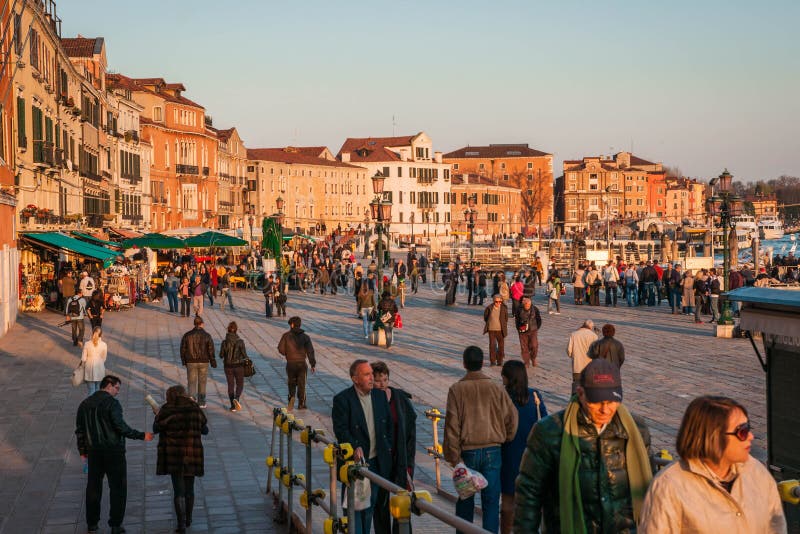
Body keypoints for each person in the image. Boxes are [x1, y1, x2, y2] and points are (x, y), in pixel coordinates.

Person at [513, 359, 653, 533]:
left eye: (611, 402)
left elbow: (652, 489)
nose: (605, 409)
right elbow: (528, 495)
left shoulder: (636, 430)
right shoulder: (550, 431)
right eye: (597, 402)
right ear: (580, 393)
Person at [639, 396, 787, 533]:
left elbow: (777, 526)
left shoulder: (756, 471)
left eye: (749, 428)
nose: (750, 436)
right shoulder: (669, 486)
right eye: (742, 431)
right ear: (713, 437)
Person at [443, 346, 518, 534]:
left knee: (465, 500)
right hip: (493, 450)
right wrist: (506, 436)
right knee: (491, 503)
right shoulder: (496, 387)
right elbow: (512, 416)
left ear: (464, 363)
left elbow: (452, 426)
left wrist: (453, 457)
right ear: (482, 362)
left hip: (468, 452)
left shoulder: (457, 389)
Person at [75, 375, 154, 534]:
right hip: (114, 452)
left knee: (93, 488)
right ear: (108, 385)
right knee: (118, 488)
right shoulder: (112, 404)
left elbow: (80, 431)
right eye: (116, 388)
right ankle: (115, 524)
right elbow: (120, 427)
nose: (117, 392)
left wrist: (83, 451)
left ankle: (92, 524)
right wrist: (141, 435)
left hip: (94, 452)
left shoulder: (84, 404)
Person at [332, 360, 393, 534]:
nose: (371, 378)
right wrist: (354, 446)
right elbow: (341, 430)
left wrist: (387, 447)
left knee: (370, 508)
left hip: (376, 462)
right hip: (356, 465)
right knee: (355, 509)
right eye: (367, 375)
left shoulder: (380, 397)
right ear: (355, 379)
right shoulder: (343, 400)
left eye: (371, 374)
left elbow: (388, 426)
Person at [153, 385, 209, 534]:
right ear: (184, 395)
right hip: (192, 453)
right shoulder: (194, 408)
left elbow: (156, 428)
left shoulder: (167, 409)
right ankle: (189, 518)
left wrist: (156, 414)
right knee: (189, 489)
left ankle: (181, 524)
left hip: (173, 455)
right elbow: (205, 430)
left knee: (178, 490)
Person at [499, 361, 547, 534]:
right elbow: (545, 422)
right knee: (531, 500)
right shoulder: (535, 396)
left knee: (507, 501)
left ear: (509, 378)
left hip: (508, 453)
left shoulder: (502, 397)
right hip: (531, 454)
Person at [371, 361, 417, 534]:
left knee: (402, 499)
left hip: (400, 457)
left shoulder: (399, 398)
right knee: (380, 503)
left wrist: (409, 462)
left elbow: (410, 426)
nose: (382, 384)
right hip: (379, 459)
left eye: (385, 379)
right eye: (377, 380)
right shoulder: (370, 399)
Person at [277, 316, 316, 411]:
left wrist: (287, 353)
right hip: (302, 364)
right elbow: (310, 351)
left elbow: (280, 349)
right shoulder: (306, 337)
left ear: (292, 324)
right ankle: (301, 403)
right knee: (302, 383)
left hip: (290, 363)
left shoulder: (286, 336)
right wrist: (312, 364)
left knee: (291, 382)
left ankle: (291, 397)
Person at [179, 316, 217, 408]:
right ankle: (202, 402)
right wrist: (212, 361)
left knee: (191, 381)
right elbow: (211, 350)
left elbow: (182, 349)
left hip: (191, 361)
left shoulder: (187, 335)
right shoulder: (207, 335)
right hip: (204, 361)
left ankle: (192, 401)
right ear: (201, 324)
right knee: (202, 382)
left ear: (194, 324)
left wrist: (184, 361)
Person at [219, 321, 248, 412]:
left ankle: (232, 405)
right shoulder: (240, 341)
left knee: (230, 385)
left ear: (228, 330)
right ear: (236, 330)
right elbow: (244, 355)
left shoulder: (224, 342)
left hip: (228, 366)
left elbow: (221, 355)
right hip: (238, 366)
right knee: (240, 384)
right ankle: (237, 398)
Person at [566, 319, 598, 394]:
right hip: (590, 367)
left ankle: (574, 403)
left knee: (576, 388)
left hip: (577, 366)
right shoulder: (594, 336)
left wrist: (574, 357)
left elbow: (569, 350)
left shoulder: (574, 334)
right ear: (591, 327)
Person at [514, 297, 541, 368]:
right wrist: (519, 328)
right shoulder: (519, 310)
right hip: (523, 332)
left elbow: (539, 319)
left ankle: (533, 358)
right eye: (526, 305)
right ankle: (526, 362)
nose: (527, 306)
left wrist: (536, 327)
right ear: (523, 304)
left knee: (534, 345)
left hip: (533, 330)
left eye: (528, 305)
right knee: (524, 347)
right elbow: (517, 320)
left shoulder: (535, 309)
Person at [483, 294, 509, 366]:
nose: (498, 303)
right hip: (491, 330)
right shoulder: (489, 308)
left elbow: (506, 318)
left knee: (501, 346)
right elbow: (486, 317)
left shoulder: (504, 308)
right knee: (492, 345)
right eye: (496, 302)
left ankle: (500, 361)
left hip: (500, 330)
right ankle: (492, 361)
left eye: (499, 301)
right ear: (494, 301)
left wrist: (503, 325)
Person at [81, 326, 107, 395]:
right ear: (101, 334)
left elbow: (83, 358)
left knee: (91, 390)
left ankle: (90, 404)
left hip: (89, 368)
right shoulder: (104, 345)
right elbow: (104, 358)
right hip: (99, 367)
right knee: (98, 389)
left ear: (92, 333)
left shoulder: (87, 344)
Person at [358, 273, 376, 339]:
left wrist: (358, 309)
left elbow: (359, 302)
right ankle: (370, 333)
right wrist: (375, 308)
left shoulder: (360, 292)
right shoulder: (371, 291)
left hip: (363, 308)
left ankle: (366, 335)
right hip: (370, 307)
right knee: (370, 321)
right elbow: (373, 301)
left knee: (365, 321)